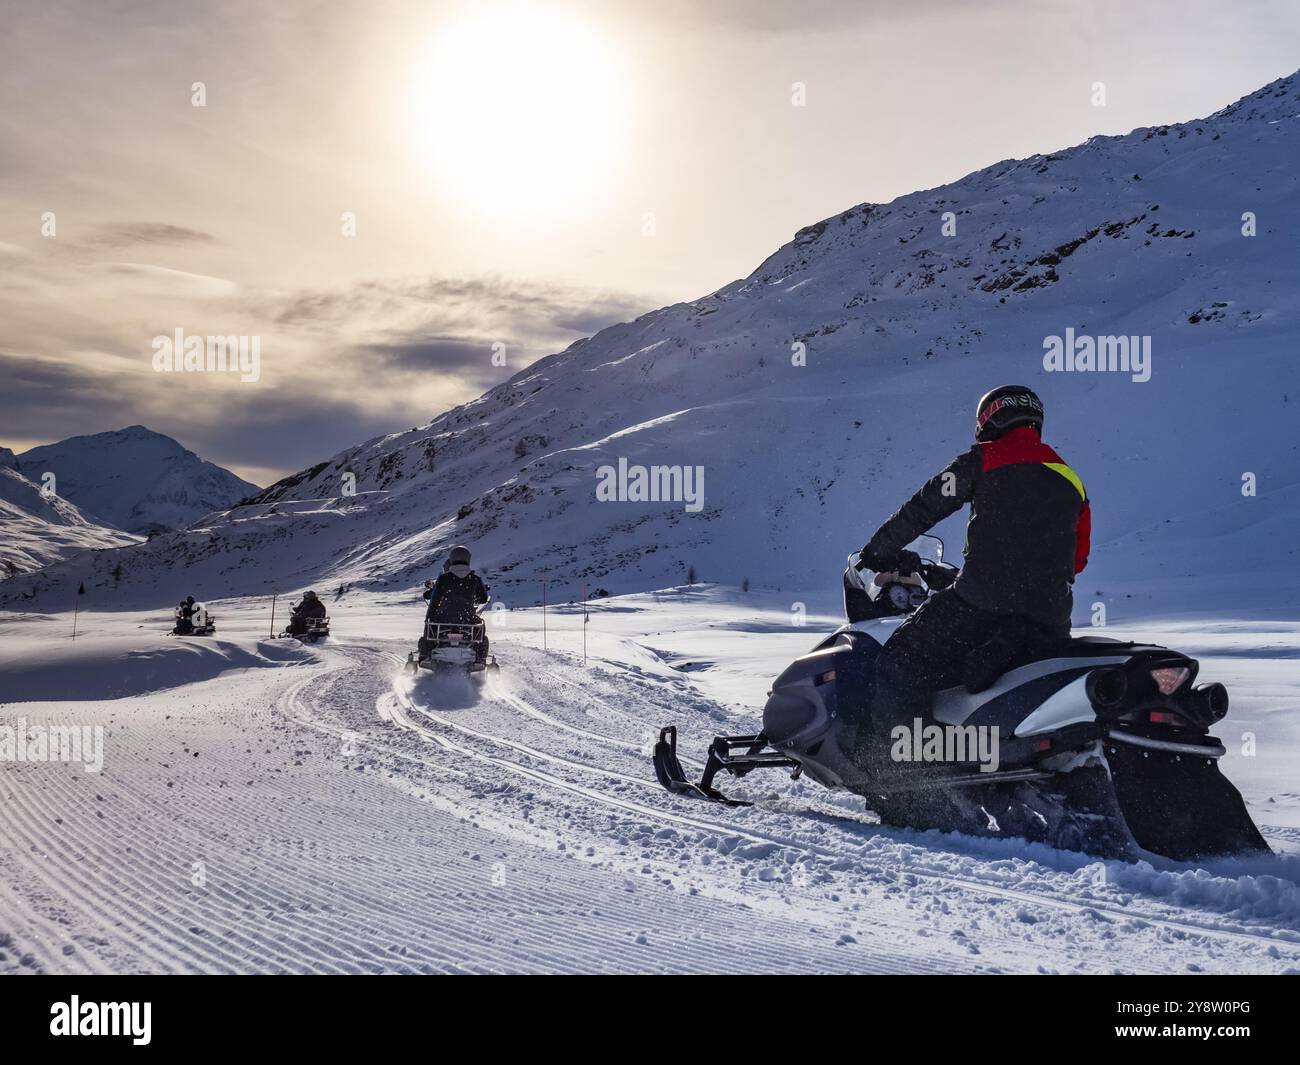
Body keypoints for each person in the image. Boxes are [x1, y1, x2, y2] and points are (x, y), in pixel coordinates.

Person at [854, 385, 1090, 772]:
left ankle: (906, 771)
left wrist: (879, 550)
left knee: (901, 660)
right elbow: (1078, 559)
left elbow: (924, 506)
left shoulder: (985, 458)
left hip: (982, 602)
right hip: (1050, 617)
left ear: (990, 418)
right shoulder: (1069, 477)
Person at [420, 546, 490, 662]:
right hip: (467, 620)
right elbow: (483, 598)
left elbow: (435, 601)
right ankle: (480, 658)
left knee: (429, 628)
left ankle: (425, 655)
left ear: (452, 558)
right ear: (468, 559)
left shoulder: (443, 578)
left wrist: (429, 618)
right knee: (481, 626)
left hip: (443, 620)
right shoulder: (474, 579)